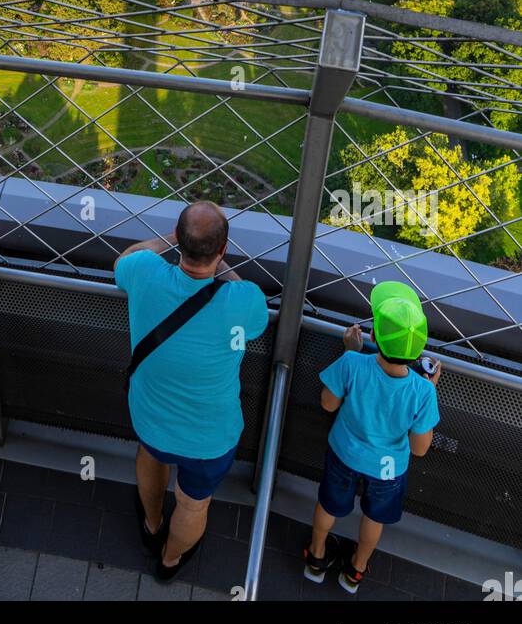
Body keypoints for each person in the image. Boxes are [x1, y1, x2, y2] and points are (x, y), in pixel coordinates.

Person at [114, 201, 268, 582]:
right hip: (211, 437)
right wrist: (218, 262)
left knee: (150, 457)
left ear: (179, 241)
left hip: (151, 419)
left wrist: (173, 239)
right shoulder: (242, 301)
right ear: (223, 248)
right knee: (194, 504)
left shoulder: (145, 273)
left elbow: (125, 259)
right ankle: (169, 562)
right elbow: (255, 319)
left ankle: (151, 525)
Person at [304, 280, 441, 594]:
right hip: (388, 469)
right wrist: (429, 389)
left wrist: (350, 354)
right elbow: (420, 449)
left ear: (373, 336)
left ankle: (316, 557)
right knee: (373, 517)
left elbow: (328, 403)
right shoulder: (422, 392)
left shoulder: (353, 363)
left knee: (328, 505)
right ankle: (356, 570)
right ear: (419, 351)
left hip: (344, 453)